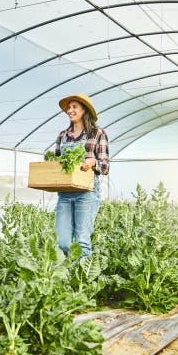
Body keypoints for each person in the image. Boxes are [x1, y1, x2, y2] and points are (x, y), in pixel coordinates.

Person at [54, 93, 109, 257]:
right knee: (62, 241)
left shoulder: (97, 133)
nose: (70, 110)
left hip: (87, 193)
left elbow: (105, 166)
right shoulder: (62, 136)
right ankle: (73, 267)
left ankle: (81, 280)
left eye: (74, 107)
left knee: (82, 242)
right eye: (68, 108)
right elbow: (57, 163)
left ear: (84, 110)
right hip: (64, 194)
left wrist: (94, 163)